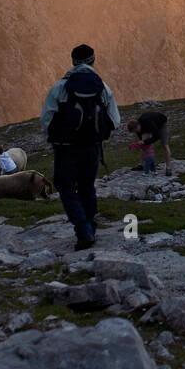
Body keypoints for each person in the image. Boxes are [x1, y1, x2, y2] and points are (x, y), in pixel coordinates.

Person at [41, 44, 120, 250]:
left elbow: (47, 119)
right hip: (92, 147)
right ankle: (91, 228)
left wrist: (53, 138)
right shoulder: (102, 87)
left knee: (66, 186)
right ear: (93, 61)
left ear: (73, 62)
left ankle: (83, 230)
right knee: (87, 186)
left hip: (65, 148)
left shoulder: (60, 87)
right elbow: (115, 120)